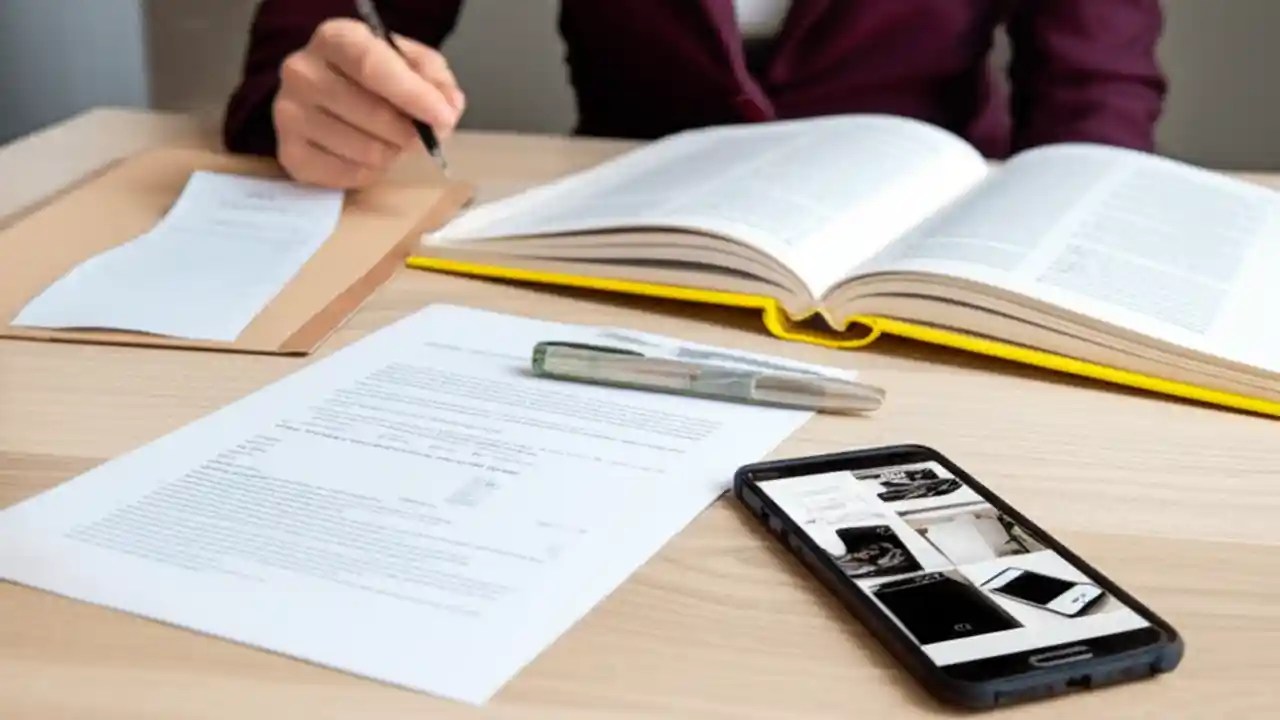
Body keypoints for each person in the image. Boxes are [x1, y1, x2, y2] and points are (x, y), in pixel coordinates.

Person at [224, 1, 1166, 189]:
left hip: (928, 241)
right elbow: (319, 41)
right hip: (624, 246)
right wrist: (316, 96)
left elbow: (1099, 90)